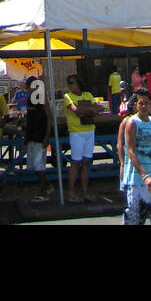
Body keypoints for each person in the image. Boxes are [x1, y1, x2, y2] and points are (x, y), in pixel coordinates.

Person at [120, 88, 151, 225]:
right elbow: (131, 152)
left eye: (146, 103)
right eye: (141, 103)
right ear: (136, 105)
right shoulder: (132, 123)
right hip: (137, 180)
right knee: (135, 221)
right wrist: (145, 176)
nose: (144, 106)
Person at [64, 73, 101, 205]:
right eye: (69, 83)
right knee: (75, 162)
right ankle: (71, 193)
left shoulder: (88, 95)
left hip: (89, 130)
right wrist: (89, 109)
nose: (70, 85)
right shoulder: (68, 97)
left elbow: (97, 109)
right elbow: (75, 110)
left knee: (86, 162)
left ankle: (85, 192)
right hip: (76, 132)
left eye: (72, 82)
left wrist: (86, 109)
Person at [23, 76, 52, 200]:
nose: (29, 89)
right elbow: (29, 120)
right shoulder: (29, 100)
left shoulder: (42, 100)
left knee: (39, 166)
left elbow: (49, 119)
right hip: (31, 136)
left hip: (41, 137)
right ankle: (48, 186)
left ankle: (44, 191)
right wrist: (25, 139)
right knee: (33, 166)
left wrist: (47, 137)